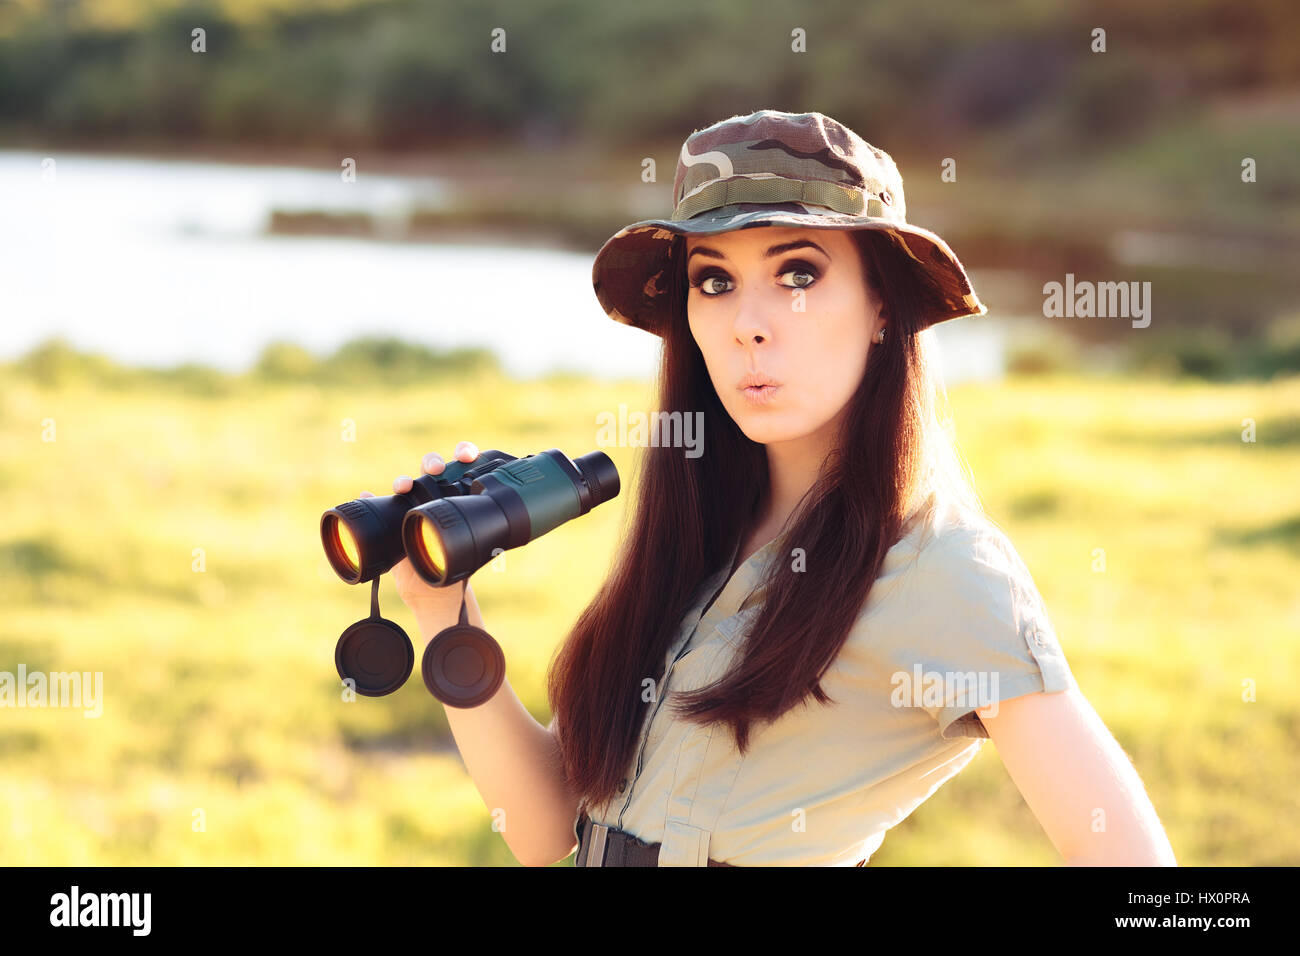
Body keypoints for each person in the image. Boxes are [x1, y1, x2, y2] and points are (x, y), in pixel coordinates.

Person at [368, 110, 1177, 867]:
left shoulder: (943, 570)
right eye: (714, 281)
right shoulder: (698, 536)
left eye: (797, 272)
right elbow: (547, 830)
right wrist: (445, 611)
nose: (747, 323)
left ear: (882, 309)